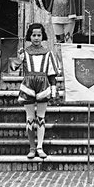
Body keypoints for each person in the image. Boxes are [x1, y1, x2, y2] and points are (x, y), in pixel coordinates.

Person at [15, 22, 59, 160]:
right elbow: (13, 67)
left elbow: (52, 74)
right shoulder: (25, 52)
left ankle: (40, 147)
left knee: (41, 117)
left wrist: (53, 88)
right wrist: (17, 58)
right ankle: (31, 147)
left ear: (43, 36)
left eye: (39, 35)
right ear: (30, 36)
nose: (36, 38)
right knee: (29, 118)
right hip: (28, 83)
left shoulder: (48, 53)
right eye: (33, 35)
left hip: (43, 84)